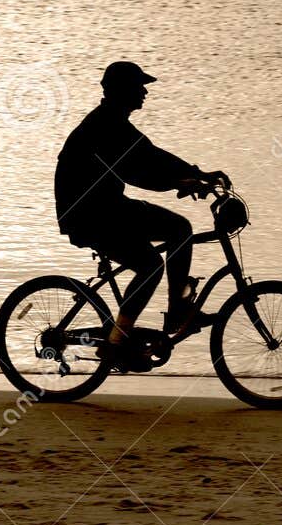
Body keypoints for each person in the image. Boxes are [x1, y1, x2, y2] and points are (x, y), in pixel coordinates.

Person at [54, 61, 222, 367]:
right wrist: (178, 182)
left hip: (103, 208)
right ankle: (120, 342)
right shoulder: (104, 126)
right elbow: (136, 172)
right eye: (139, 86)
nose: (145, 92)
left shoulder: (114, 122)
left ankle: (173, 312)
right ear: (122, 90)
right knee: (157, 257)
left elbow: (151, 155)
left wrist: (196, 174)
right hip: (91, 215)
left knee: (175, 233)